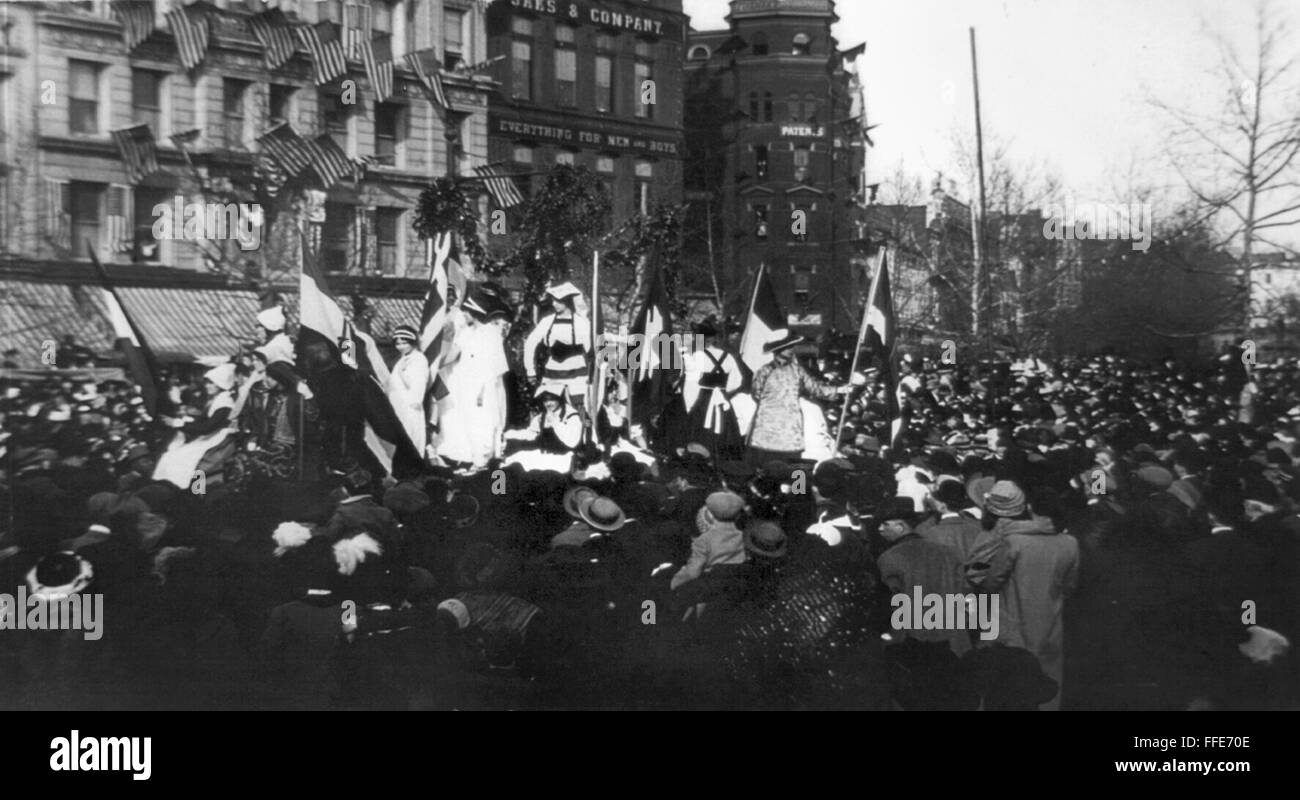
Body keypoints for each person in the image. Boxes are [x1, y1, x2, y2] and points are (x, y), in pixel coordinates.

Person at [747, 331, 851, 465]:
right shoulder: (764, 371)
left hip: (790, 428)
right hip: (767, 428)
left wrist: (841, 390)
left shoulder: (797, 371)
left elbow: (816, 389)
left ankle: (798, 487)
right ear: (778, 350)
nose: (792, 350)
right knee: (769, 467)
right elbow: (756, 394)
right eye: (788, 347)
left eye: (792, 346)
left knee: (795, 464)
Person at [435, 293, 510, 470]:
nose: (464, 315)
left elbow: (494, 367)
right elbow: (452, 355)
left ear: (474, 312)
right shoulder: (466, 333)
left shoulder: (491, 334)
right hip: (466, 387)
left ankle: (488, 467)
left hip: (486, 387)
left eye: (467, 311)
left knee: (486, 423)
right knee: (469, 422)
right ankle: (473, 460)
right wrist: (430, 365)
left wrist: (484, 391)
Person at [152, 363, 241, 489]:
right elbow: (203, 422)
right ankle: (170, 487)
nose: (207, 386)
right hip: (212, 436)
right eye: (207, 383)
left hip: (220, 441)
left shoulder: (225, 403)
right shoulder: (216, 400)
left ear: (220, 385)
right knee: (171, 455)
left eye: (211, 383)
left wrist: (178, 423)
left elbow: (206, 428)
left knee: (193, 463)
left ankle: (195, 492)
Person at [673, 317, 745, 461]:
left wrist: (690, 408)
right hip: (722, 402)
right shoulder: (728, 356)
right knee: (724, 432)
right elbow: (737, 382)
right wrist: (723, 392)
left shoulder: (697, 356)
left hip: (703, 401)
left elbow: (690, 385)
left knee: (698, 432)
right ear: (713, 339)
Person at [523, 283, 591, 406]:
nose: (554, 304)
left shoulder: (582, 323)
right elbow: (530, 343)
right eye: (553, 301)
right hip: (552, 370)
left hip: (577, 371)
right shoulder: (547, 321)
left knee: (577, 405)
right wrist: (530, 371)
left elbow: (591, 347)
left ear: (568, 302)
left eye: (559, 301)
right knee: (552, 403)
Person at [386, 324, 429, 461]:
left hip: (410, 406)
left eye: (404, 343)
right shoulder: (403, 359)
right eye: (398, 343)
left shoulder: (418, 359)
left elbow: (417, 386)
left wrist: (402, 373)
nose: (400, 346)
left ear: (412, 342)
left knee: (411, 436)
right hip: (398, 405)